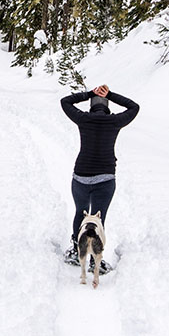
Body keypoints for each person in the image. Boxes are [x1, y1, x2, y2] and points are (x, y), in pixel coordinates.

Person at [60, 84, 140, 265]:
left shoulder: (83, 119)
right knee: (98, 217)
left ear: (91, 106)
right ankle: (95, 261)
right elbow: (134, 107)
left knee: (80, 213)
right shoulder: (114, 121)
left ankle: (76, 250)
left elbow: (65, 102)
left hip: (81, 175)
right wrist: (110, 94)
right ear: (107, 106)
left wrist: (89, 93)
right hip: (105, 177)